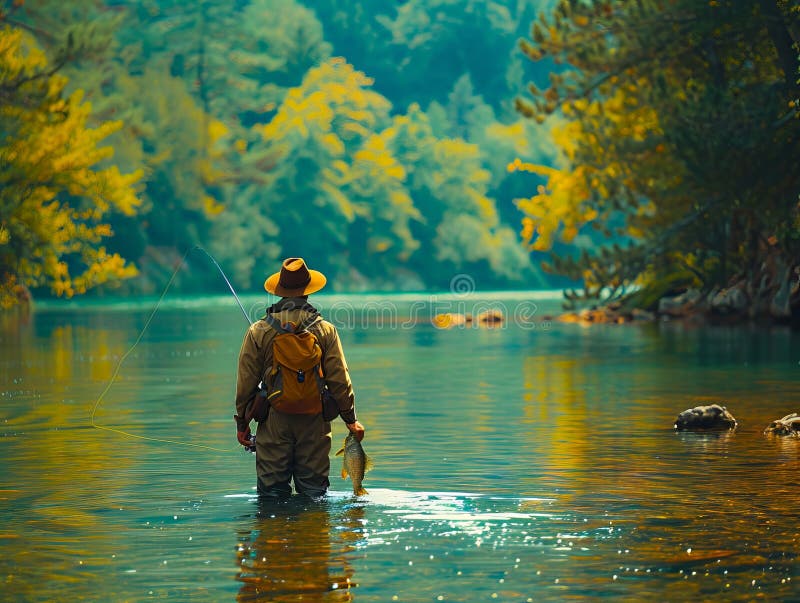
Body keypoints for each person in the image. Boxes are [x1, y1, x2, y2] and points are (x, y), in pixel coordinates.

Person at [234, 257, 365, 498]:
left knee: (272, 496)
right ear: (307, 292)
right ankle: (311, 533)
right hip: (314, 422)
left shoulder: (258, 331)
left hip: (273, 421)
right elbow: (339, 379)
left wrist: (243, 423)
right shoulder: (325, 330)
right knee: (314, 496)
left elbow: (246, 384)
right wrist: (350, 419)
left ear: (280, 292)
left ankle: (276, 532)